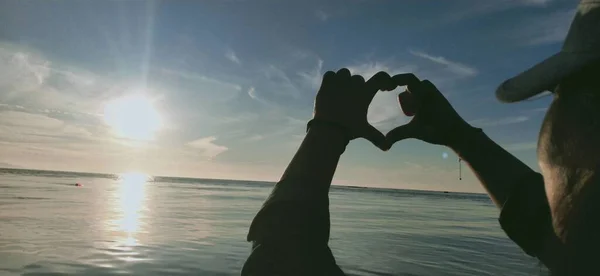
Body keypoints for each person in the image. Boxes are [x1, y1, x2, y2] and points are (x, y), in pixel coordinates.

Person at [241, 0, 600, 275]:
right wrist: (457, 134)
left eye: (558, 94)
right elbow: (553, 233)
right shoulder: (587, 251)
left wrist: (327, 131)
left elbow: (278, 259)